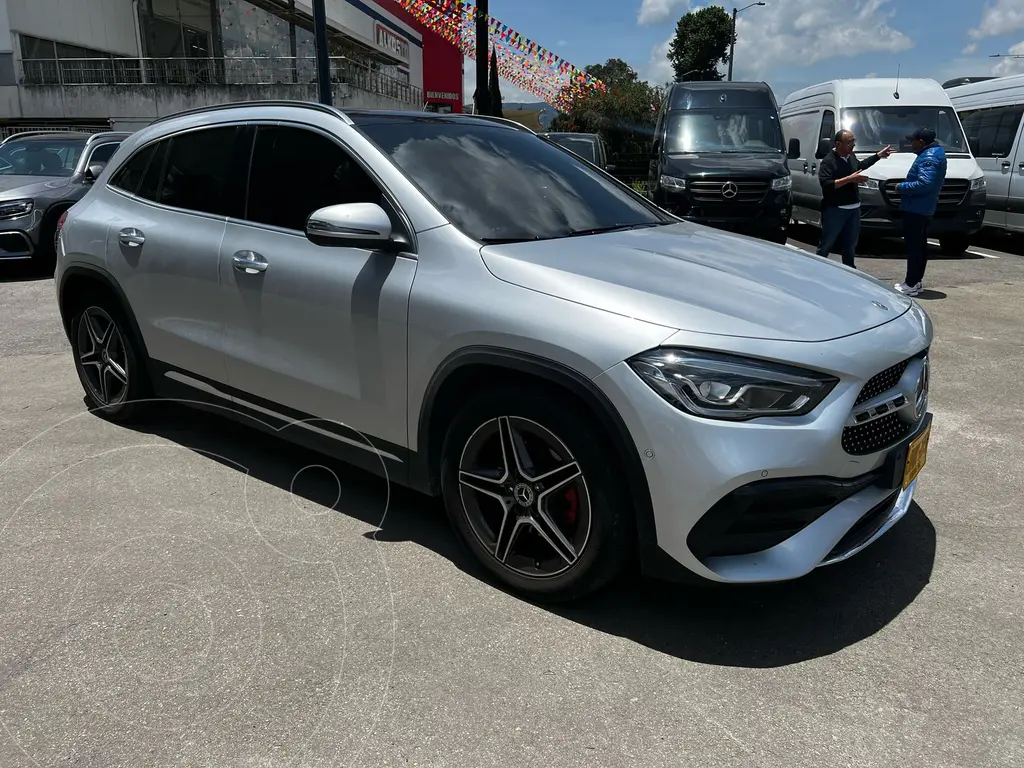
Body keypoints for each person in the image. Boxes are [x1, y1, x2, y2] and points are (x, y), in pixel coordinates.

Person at [817, 130, 893, 268]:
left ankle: (849, 270)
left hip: (854, 209)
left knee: (850, 245)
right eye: (849, 142)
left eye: (854, 141)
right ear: (838, 144)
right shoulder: (828, 161)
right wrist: (850, 179)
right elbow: (826, 184)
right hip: (836, 210)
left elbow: (860, 166)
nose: (853, 144)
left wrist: (878, 156)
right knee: (827, 244)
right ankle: (817, 270)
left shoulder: (851, 156)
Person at [894, 127, 947, 297]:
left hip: (916, 208)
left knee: (915, 248)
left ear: (921, 142)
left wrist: (901, 187)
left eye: (913, 141)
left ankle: (910, 284)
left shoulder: (928, 157)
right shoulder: (934, 153)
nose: (911, 144)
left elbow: (925, 184)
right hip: (923, 207)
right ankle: (915, 281)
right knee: (920, 246)